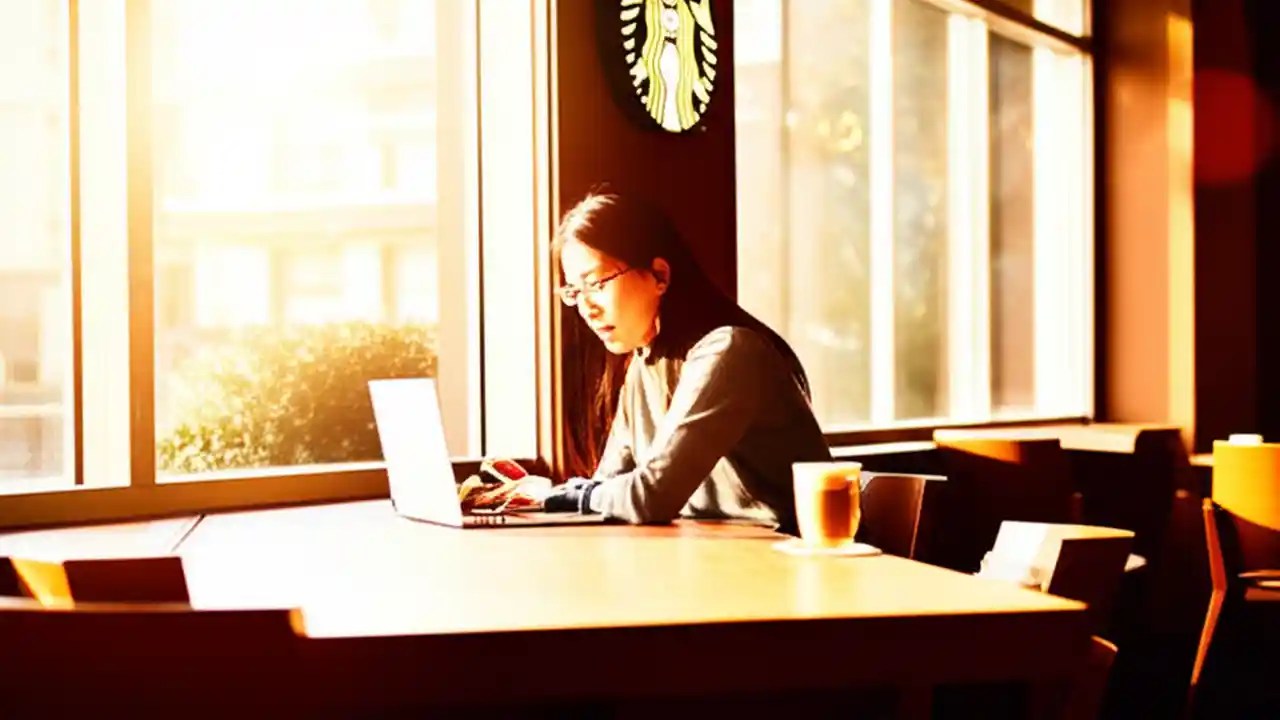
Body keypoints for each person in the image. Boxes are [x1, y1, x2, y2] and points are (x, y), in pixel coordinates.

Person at [540, 192, 831, 535]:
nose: (587, 308)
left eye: (596, 284)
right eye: (574, 292)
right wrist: (570, 495)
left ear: (659, 275)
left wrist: (565, 495)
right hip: (718, 562)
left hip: (794, 564)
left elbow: (648, 496)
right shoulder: (642, 363)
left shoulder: (730, 353)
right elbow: (610, 486)